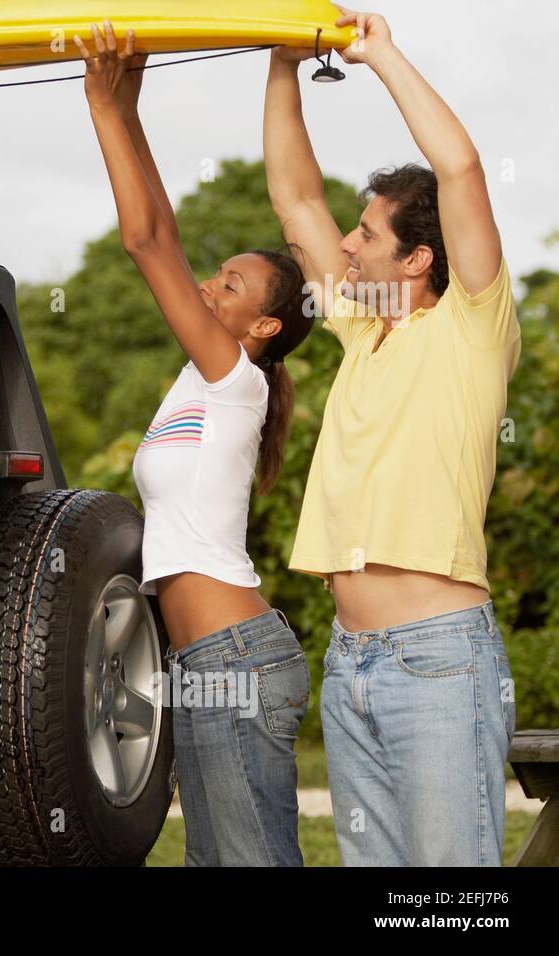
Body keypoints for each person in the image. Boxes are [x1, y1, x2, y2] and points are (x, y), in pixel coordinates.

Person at [264, 5, 521, 865]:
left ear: (418, 259)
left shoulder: (472, 331)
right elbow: (295, 198)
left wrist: (382, 55)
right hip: (352, 662)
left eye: (367, 234)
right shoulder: (363, 325)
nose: (345, 243)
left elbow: (461, 167)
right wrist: (280, 62)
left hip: (440, 663)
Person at [75, 21, 314, 865]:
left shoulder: (235, 381)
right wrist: (130, 106)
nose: (212, 286)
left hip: (236, 661)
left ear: (264, 325)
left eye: (233, 285)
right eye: (216, 276)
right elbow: (164, 229)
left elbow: (148, 244)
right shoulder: (200, 378)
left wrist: (98, 104)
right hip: (210, 661)